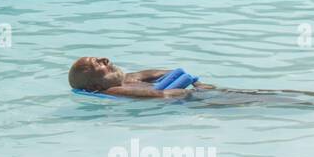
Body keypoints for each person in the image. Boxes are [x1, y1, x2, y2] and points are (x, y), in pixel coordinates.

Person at [67, 57, 212, 99]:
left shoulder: (128, 78)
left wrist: (198, 83)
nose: (105, 59)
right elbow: (161, 95)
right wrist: (195, 94)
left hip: (197, 93)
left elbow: (173, 72)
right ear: (95, 87)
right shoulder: (113, 91)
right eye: (97, 64)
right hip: (190, 102)